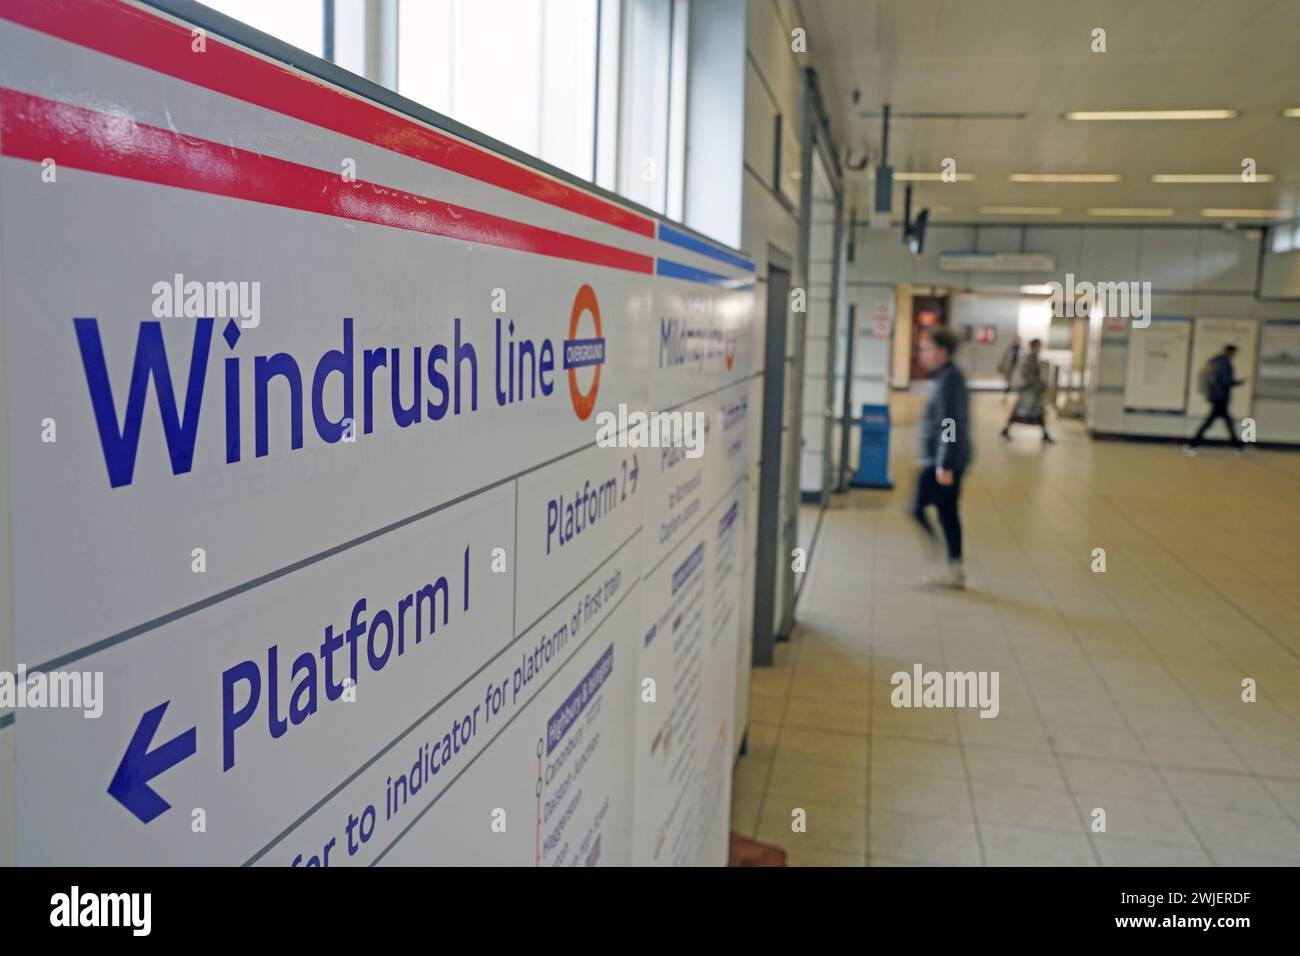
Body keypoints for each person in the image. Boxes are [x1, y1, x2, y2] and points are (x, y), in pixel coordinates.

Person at [913, 326, 971, 589]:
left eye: (927, 348)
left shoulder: (950, 379)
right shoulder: (944, 377)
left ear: (942, 352)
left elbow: (950, 422)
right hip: (940, 458)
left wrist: (944, 463)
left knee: (926, 509)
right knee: (945, 511)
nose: (922, 353)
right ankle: (953, 567)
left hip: (945, 460)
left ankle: (949, 565)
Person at [1184, 344, 1246, 456]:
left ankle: (1238, 447)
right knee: (1214, 424)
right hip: (1221, 399)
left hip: (1219, 398)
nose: (1234, 355)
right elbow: (1226, 381)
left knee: (1224, 424)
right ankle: (1191, 445)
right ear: (1229, 352)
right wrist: (1238, 383)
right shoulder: (1224, 364)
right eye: (1233, 353)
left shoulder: (1217, 362)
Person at [1000, 338, 1053, 443]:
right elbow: (1028, 374)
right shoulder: (1030, 358)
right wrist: (1040, 385)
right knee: (1022, 412)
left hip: (1032, 391)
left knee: (1037, 413)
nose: (1040, 348)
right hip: (1029, 391)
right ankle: (1006, 430)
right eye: (1039, 345)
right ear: (1035, 346)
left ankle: (1045, 434)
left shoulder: (1032, 357)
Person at [997, 335, 1023, 402]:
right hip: (1009, 368)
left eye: (1018, 340)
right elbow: (1004, 358)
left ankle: (1020, 399)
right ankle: (1005, 398)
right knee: (1007, 384)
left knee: (1018, 385)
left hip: (1017, 369)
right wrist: (1001, 367)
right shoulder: (1010, 348)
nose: (1017, 341)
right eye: (1016, 340)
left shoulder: (1022, 349)